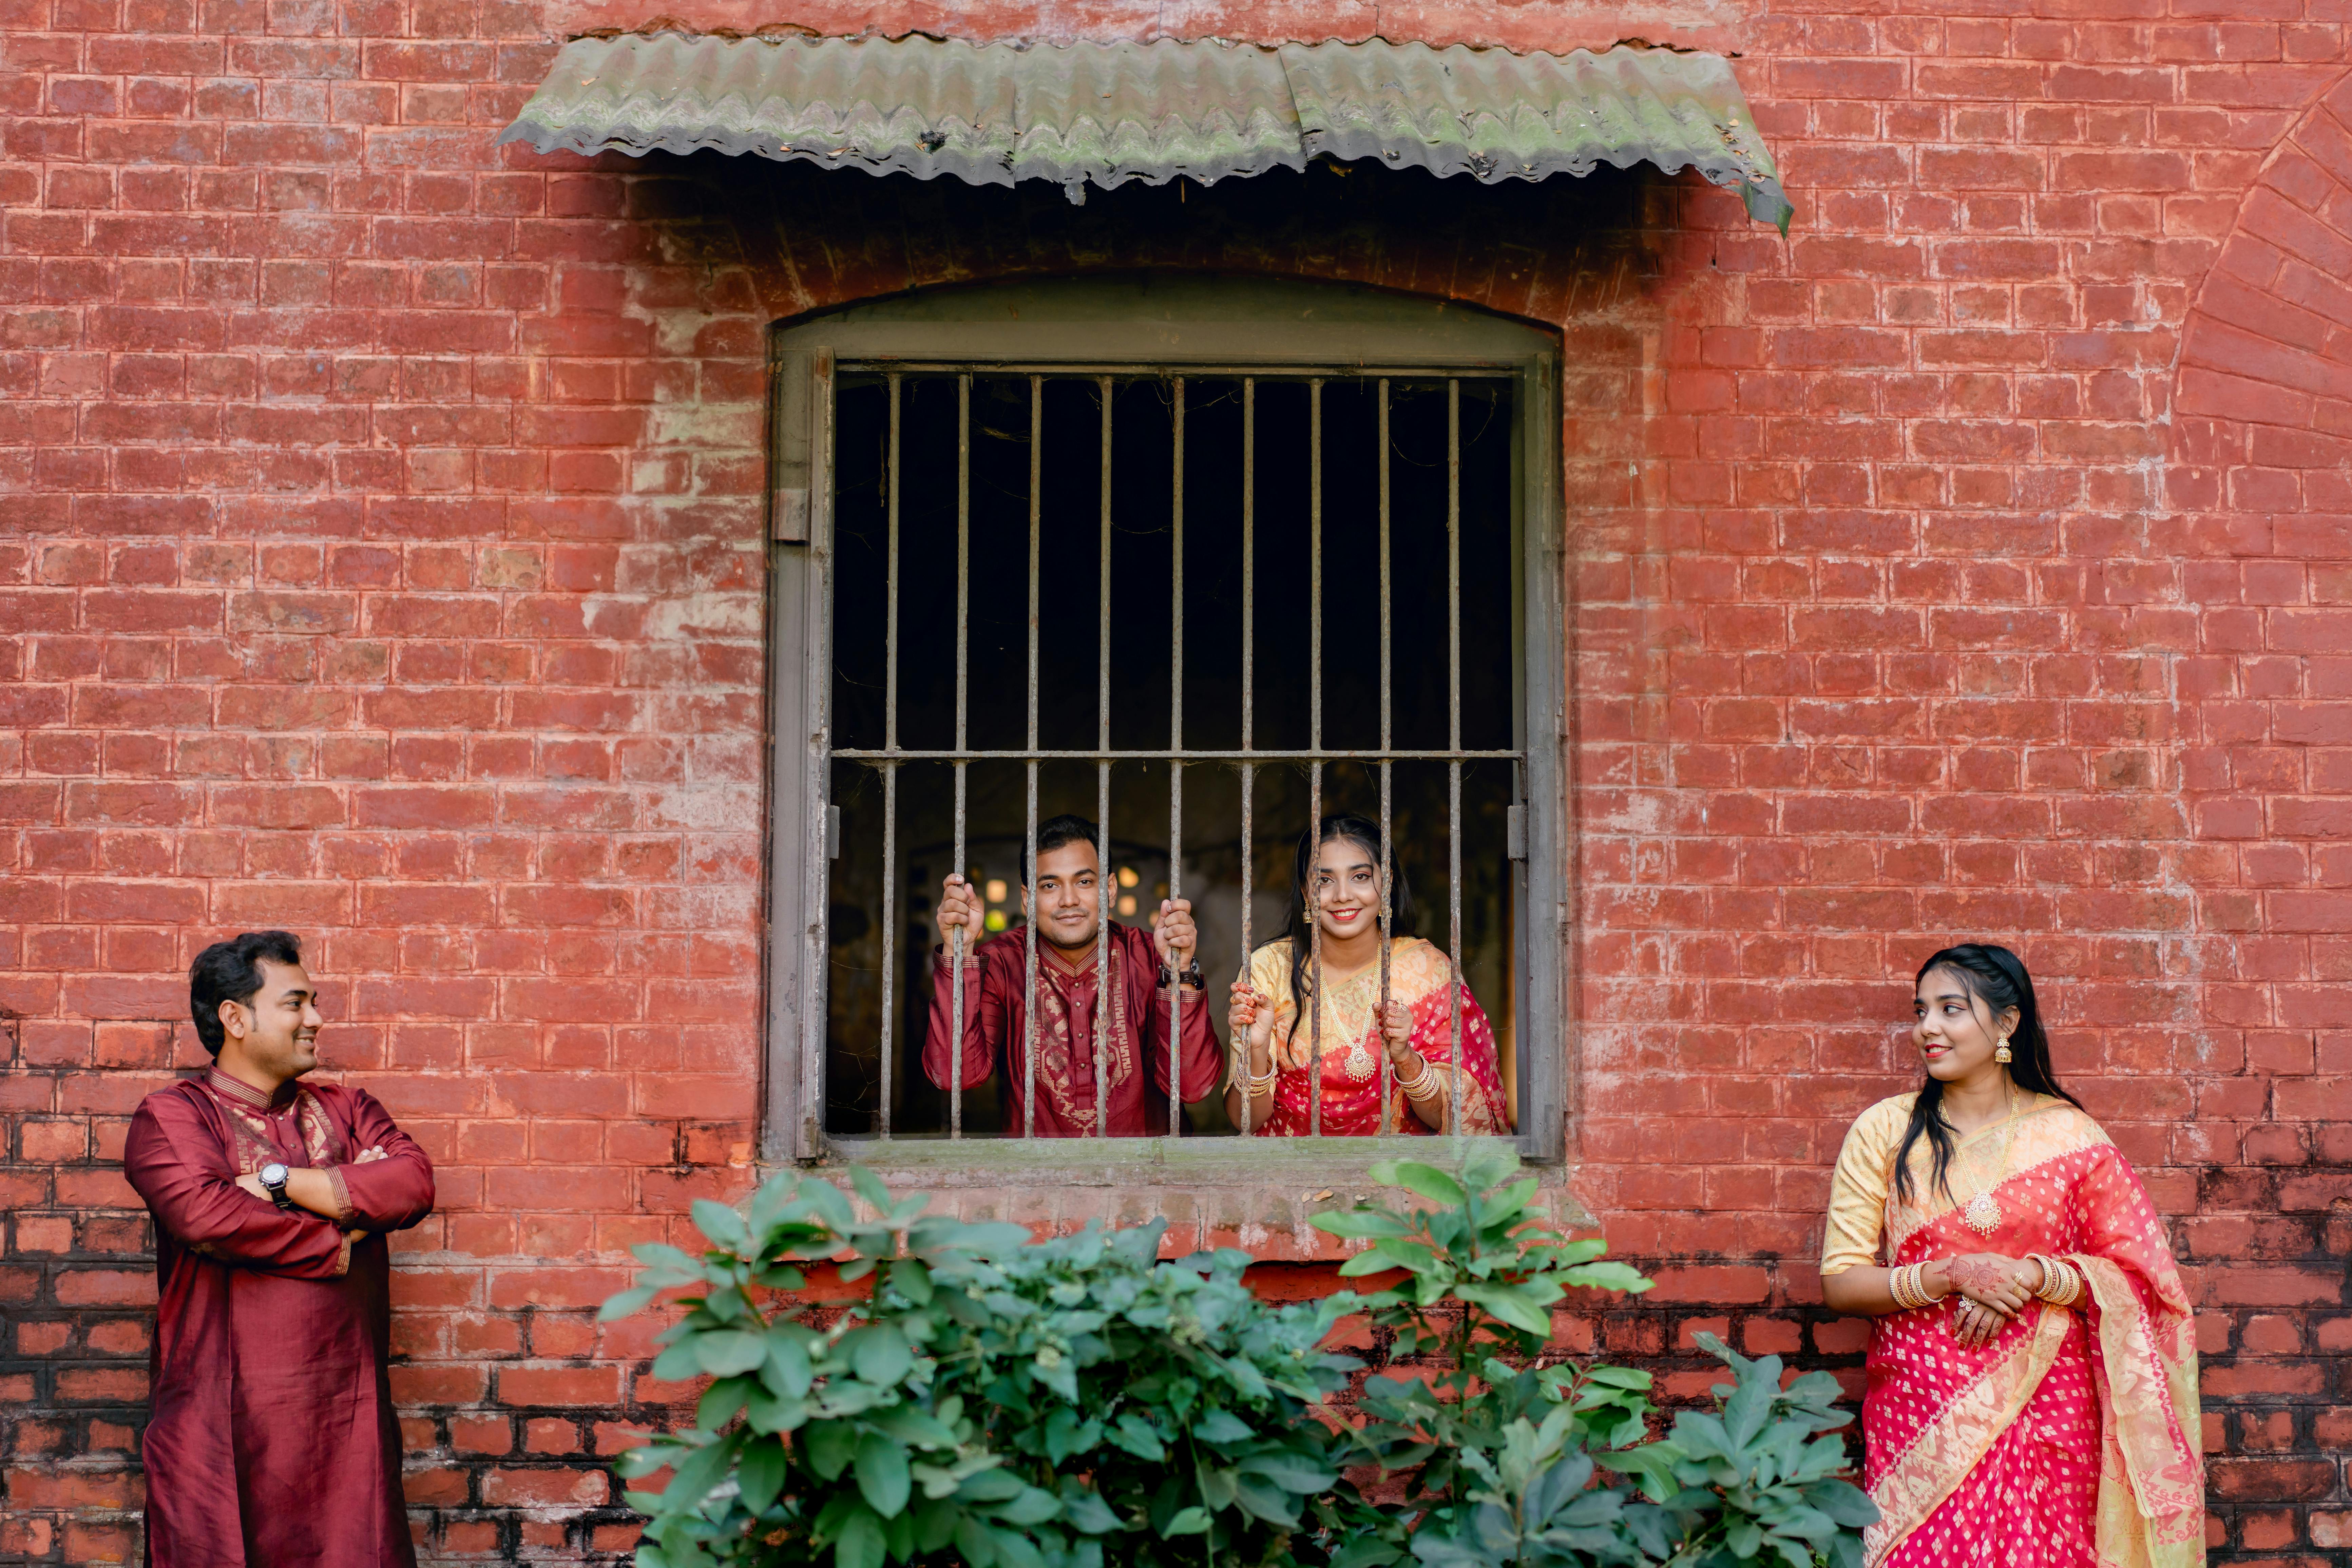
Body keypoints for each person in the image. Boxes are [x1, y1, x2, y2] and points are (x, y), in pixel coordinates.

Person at [1819, 944, 2202, 1568]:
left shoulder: (2069, 1136)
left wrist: (2033, 1275)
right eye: (1921, 1012)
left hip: (2050, 1410)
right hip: (1924, 1411)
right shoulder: (1885, 1130)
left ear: (2005, 1023)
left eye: (1950, 1009)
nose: (1927, 1028)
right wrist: (1946, 1274)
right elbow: (1840, 1281)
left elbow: (2142, 1281)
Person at [126, 931, 436, 1567]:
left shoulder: (346, 1107)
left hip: (344, 1419)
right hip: (220, 1421)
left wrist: (273, 1183)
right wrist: (344, 1225)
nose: (317, 1019)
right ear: (236, 1018)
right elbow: (206, 1215)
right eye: (296, 1003)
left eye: (313, 1002)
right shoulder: (172, 1117)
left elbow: (411, 1184)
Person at [924, 814, 1221, 1136]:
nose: (1069, 900)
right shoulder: (1004, 962)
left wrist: (1178, 970)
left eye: (1084, 882)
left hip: (1147, 1174)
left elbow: (1193, 1086)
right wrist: (959, 951)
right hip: (1038, 1178)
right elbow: (955, 1075)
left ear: (1109, 889)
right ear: (1028, 899)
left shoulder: (1149, 957)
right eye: (1050, 885)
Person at [1226, 814, 1513, 1136]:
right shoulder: (1269, 969)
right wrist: (1257, 1050)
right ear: (1306, 891)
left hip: (1401, 1176)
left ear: (1386, 881)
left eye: (1360, 877)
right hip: (1295, 1174)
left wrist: (1405, 1059)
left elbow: (1453, 1120)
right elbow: (1245, 1122)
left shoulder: (1426, 970)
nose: (1343, 895)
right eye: (1324, 881)